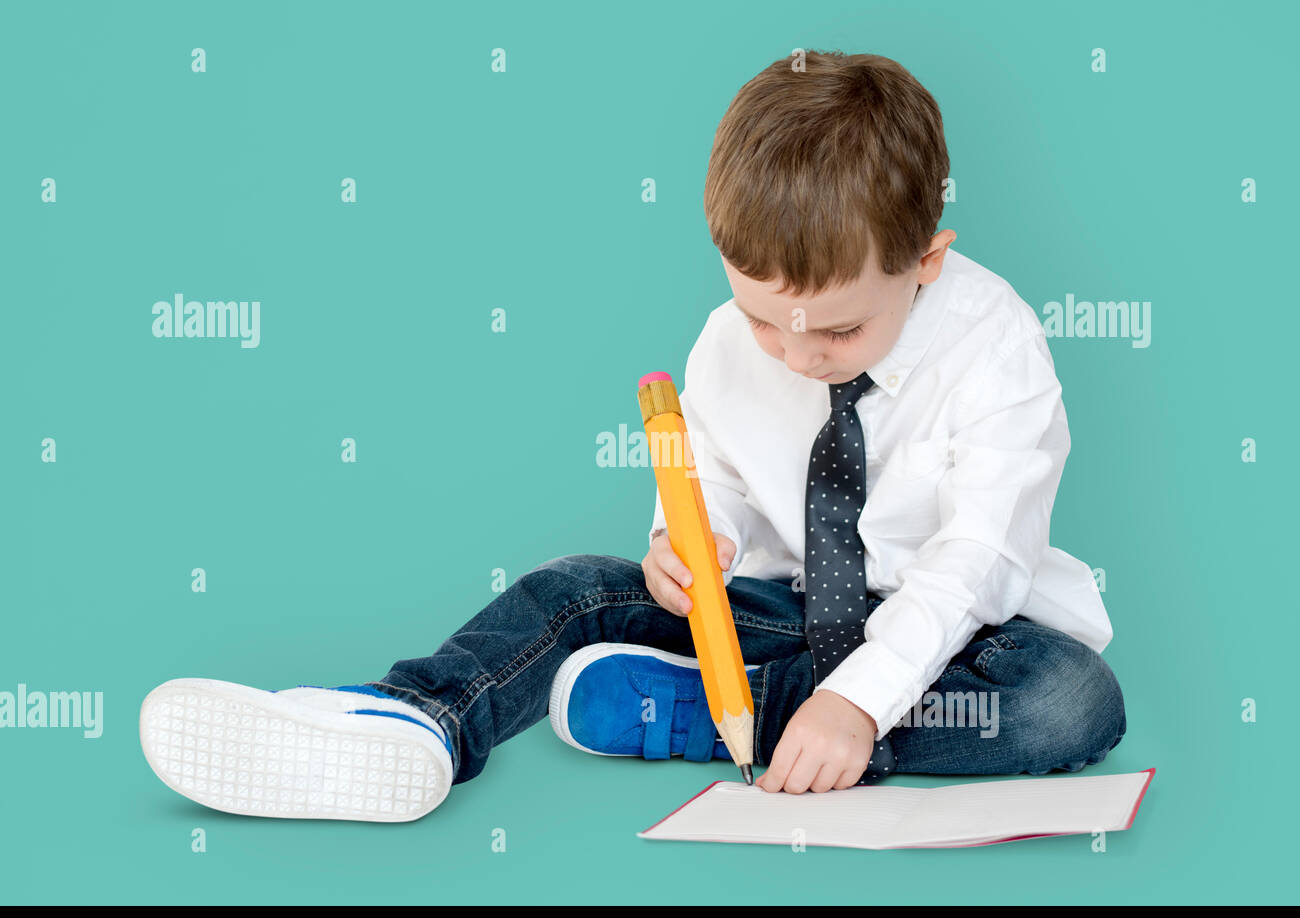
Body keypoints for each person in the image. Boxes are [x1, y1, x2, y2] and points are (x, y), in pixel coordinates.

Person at [139, 50, 1125, 823]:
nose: (796, 354)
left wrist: (859, 703)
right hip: (781, 613)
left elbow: (975, 558)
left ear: (926, 259)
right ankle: (420, 720)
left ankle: (719, 712)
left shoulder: (996, 345)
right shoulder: (728, 344)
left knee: (1068, 703)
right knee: (575, 588)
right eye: (762, 318)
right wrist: (691, 542)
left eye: (838, 330)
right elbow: (716, 473)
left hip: (964, 640)